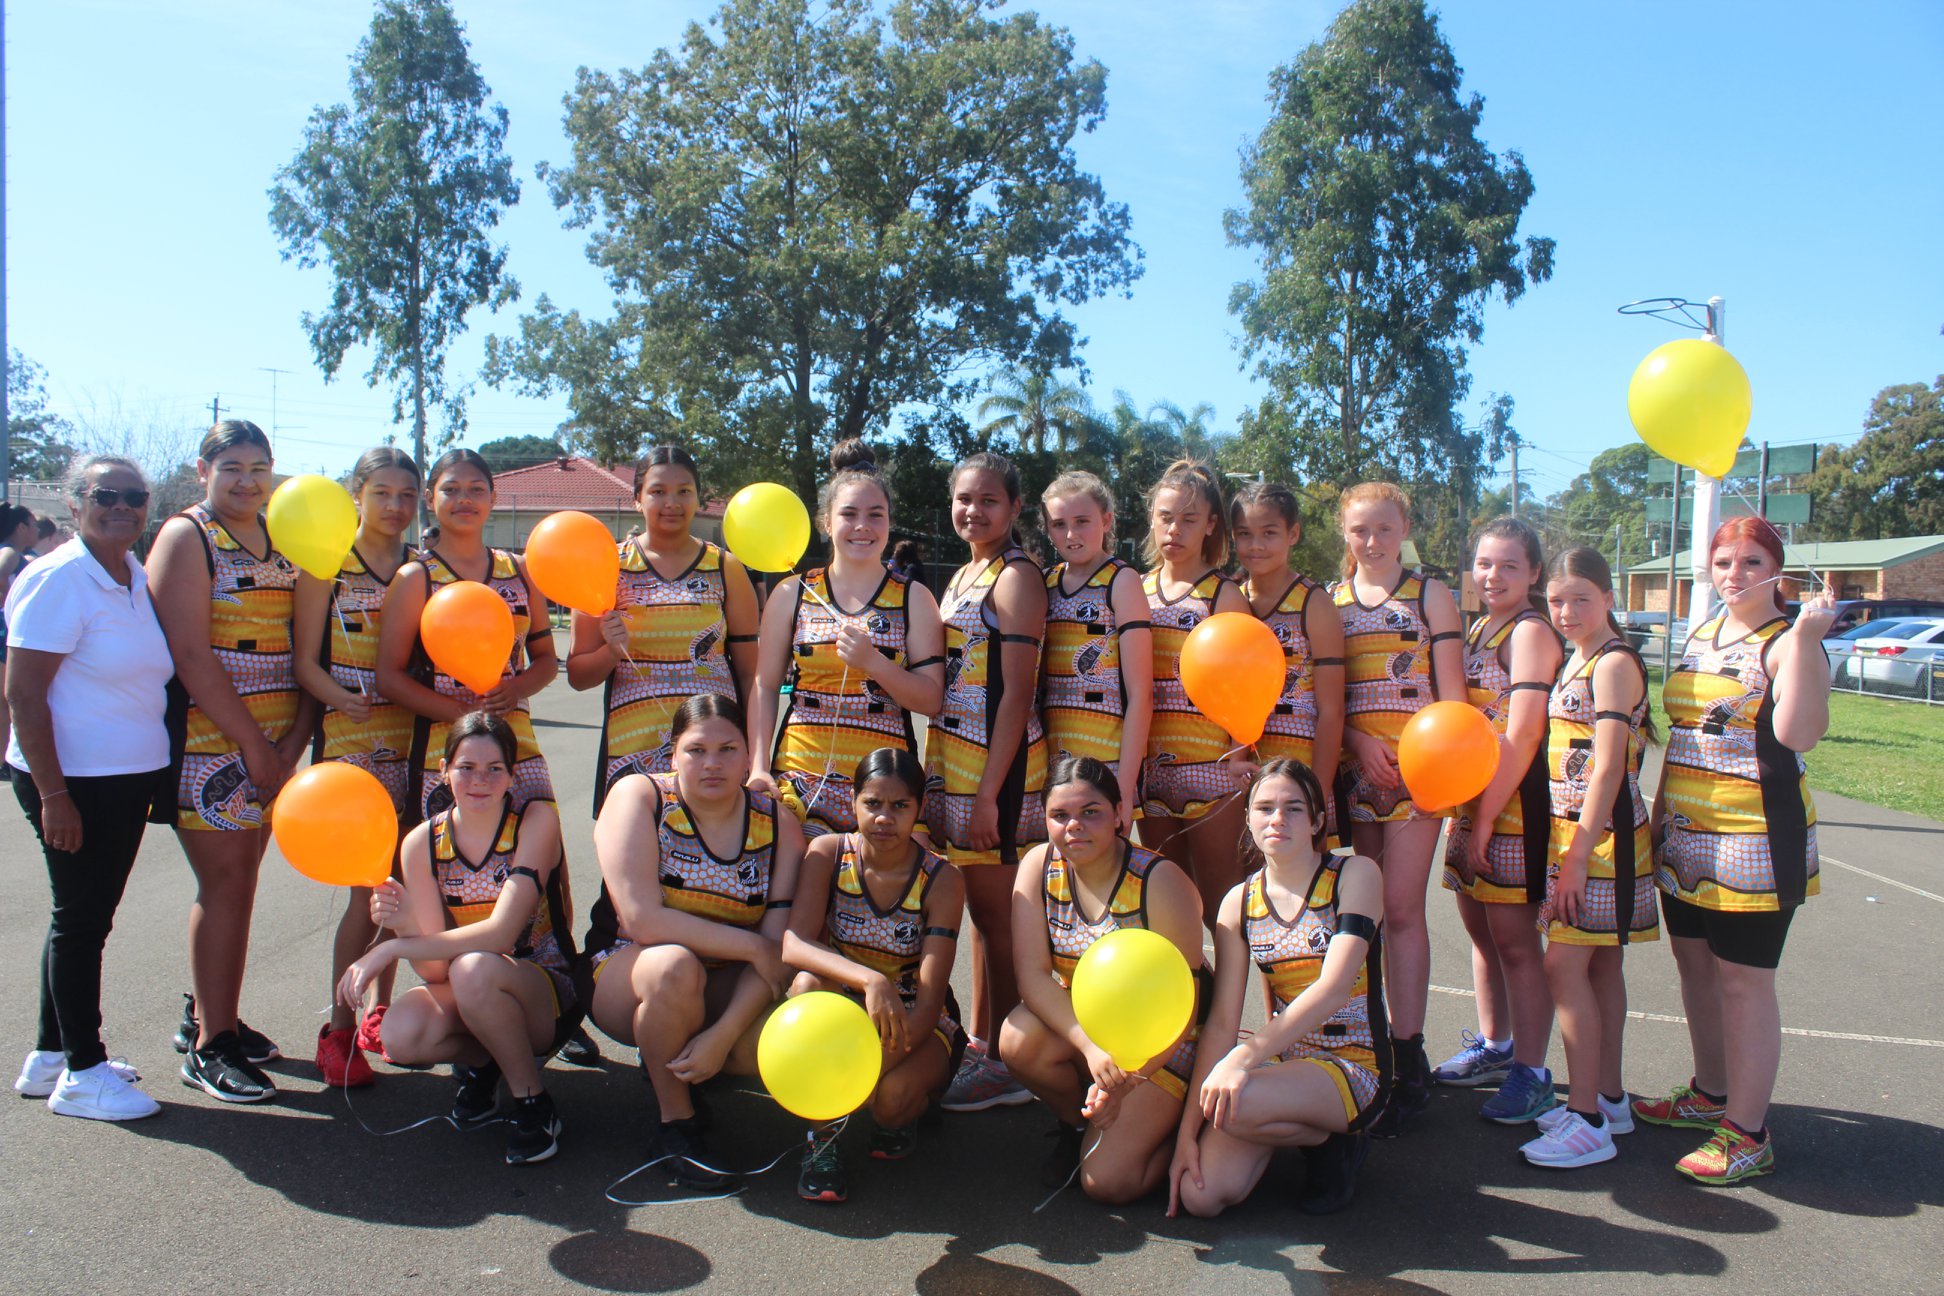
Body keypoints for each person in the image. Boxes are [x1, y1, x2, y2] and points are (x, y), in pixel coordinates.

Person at [1640, 517, 1834, 1184]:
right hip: (1686, 840)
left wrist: (1808, 638)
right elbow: (1684, 739)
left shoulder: (1788, 641)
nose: (1735, 574)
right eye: (1724, 561)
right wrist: (1659, 817)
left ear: (1777, 569)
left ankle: (1749, 1133)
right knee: (1694, 968)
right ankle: (1711, 1094)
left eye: (1752, 561)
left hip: (1753, 843)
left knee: (1744, 985)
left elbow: (1799, 732)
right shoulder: (1703, 631)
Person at [148, 421, 316, 1102]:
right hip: (213, 740)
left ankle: (212, 1016)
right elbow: (189, 655)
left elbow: (306, 649)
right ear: (203, 472)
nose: (247, 481)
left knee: (242, 884)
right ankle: (211, 1047)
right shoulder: (187, 537)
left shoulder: (287, 534)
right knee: (224, 887)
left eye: (259, 467)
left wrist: (291, 740)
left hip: (276, 744)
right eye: (232, 469)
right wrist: (252, 743)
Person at [339, 712, 580, 1166]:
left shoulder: (535, 821)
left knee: (473, 968)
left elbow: (503, 933)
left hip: (545, 989)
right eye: (466, 767)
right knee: (402, 1033)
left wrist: (391, 946)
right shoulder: (421, 842)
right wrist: (407, 923)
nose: (480, 780)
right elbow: (433, 972)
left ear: (512, 776)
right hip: (473, 985)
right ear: (445, 772)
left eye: (494, 769)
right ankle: (491, 1065)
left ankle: (533, 1102)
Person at [585, 694, 803, 1191]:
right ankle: (675, 1126)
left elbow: (772, 955)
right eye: (696, 750)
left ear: (749, 756)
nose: (712, 764)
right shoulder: (639, 797)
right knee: (673, 967)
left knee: (792, 1012)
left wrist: (723, 1034)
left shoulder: (780, 825)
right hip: (630, 971)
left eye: (728, 750)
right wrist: (746, 946)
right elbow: (641, 920)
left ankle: (689, 1058)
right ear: (672, 755)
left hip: (727, 982)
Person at [6, 458, 168, 1120]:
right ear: (74, 505)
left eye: (134, 497)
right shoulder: (59, 579)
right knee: (80, 924)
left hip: (120, 782)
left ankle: (51, 1055)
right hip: (74, 784)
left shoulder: (131, 574)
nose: (121, 507)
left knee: (79, 918)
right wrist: (54, 797)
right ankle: (84, 1071)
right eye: (105, 496)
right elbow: (22, 693)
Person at [1170, 760, 1388, 1219]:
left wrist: (1241, 1060)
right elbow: (1224, 1022)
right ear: (1248, 820)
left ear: (1317, 820)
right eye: (1264, 808)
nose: (1278, 820)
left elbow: (1332, 989)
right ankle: (1303, 1125)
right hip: (1285, 1061)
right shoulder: (1238, 902)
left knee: (1237, 1099)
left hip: (1354, 1062)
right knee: (1199, 1195)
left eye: (1293, 808)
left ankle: (1342, 1139)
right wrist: (1186, 1139)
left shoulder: (1354, 876)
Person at [1001, 756, 1205, 1203]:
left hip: (1165, 1043)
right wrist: (1093, 1050)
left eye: (1090, 812)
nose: (1074, 826)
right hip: (1095, 1034)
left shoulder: (1159, 880)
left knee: (1108, 1185)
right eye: (1060, 816)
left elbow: (1188, 1005)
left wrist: (1129, 1079)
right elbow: (1032, 978)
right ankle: (1077, 1125)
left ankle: (1189, 1131)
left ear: (1119, 815)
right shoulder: (1039, 866)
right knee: (1018, 1039)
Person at [1330, 481, 1464, 1134]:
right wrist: (1357, 745)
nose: (1373, 542)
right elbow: (1332, 695)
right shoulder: (1331, 601)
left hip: (1419, 777)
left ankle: (1408, 1053)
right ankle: (1371, 1045)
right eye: (1360, 531)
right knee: (1366, 914)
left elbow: (1453, 694)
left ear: (1404, 527)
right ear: (1344, 534)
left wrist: (1422, 761)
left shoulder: (1429, 593)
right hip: (1359, 776)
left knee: (1405, 910)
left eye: (1385, 529)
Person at [1518, 547, 1657, 1169]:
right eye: (1556, 600)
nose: (1567, 611)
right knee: (1599, 972)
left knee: (1563, 971)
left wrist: (1574, 859)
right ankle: (1608, 1098)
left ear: (1607, 597)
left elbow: (1607, 769)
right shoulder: (1580, 659)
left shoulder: (1614, 663)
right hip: (1575, 838)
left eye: (1581, 598)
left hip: (1601, 845)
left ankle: (1586, 1120)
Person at [782, 747, 966, 1203]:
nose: (885, 818)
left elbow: (928, 1004)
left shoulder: (942, 878)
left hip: (913, 1019)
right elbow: (794, 945)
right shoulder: (827, 852)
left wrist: (851, 1077)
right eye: (873, 804)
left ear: (918, 809)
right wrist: (870, 981)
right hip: (850, 1001)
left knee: (891, 1102)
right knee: (806, 986)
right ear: (852, 802)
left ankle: (912, 1102)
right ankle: (821, 1143)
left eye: (900, 806)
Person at [293, 447, 421, 1086]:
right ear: (357, 494)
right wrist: (340, 696)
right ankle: (337, 1033)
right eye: (382, 494)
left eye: (406, 495)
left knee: (397, 889)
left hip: (416, 740)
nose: (395, 508)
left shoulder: (421, 567)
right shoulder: (329, 565)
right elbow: (303, 661)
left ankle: (379, 1014)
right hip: (351, 739)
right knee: (364, 892)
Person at [928, 451, 1048, 1114]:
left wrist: (986, 793)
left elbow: (1016, 694)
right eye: (964, 499)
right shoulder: (968, 571)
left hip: (997, 773)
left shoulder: (1017, 576)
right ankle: (983, 1038)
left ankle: (1005, 1062)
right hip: (957, 760)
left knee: (1001, 918)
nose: (974, 511)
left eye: (988, 501)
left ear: (1014, 508)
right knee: (978, 912)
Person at [1434, 518, 1564, 1124]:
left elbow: (1526, 732)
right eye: (1485, 563)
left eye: (1509, 565)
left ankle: (1533, 1073)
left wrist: (1484, 820)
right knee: (1483, 938)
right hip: (1473, 804)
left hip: (1515, 808)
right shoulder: (1483, 627)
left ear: (1534, 573)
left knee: (1516, 947)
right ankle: (1496, 1045)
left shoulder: (1532, 632)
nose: (1493, 575)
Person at [747, 440, 943, 837]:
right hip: (800, 776)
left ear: (889, 521)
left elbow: (931, 700)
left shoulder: (914, 598)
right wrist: (757, 767)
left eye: (876, 515)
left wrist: (875, 663)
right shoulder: (792, 593)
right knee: (798, 889)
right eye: (848, 514)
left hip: (885, 786)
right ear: (825, 522)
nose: (862, 526)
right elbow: (765, 685)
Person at [566, 445, 759, 813]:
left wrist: (755, 750)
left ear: (698, 497)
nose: (672, 502)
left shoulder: (725, 567)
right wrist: (610, 650)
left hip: (715, 753)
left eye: (684, 491)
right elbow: (577, 675)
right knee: (632, 857)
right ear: (637, 498)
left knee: (715, 860)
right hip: (632, 751)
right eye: (657, 491)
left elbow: (753, 676)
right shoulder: (607, 566)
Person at [375, 449, 559, 827]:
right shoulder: (415, 577)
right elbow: (388, 677)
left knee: (537, 855)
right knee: (446, 870)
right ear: (431, 499)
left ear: (493, 498)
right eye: (451, 489)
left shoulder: (523, 570)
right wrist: (462, 717)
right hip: (442, 750)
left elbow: (546, 660)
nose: (464, 499)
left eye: (476, 489)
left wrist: (517, 688)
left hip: (516, 743)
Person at [1138, 461, 1254, 927]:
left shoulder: (1222, 594)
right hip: (1151, 770)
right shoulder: (1136, 589)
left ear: (1210, 525)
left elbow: (1248, 683)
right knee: (1166, 908)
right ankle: (1186, 1001)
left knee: (1222, 909)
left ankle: (1228, 1002)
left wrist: (1237, 752)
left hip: (1213, 771)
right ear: (1152, 519)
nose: (1175, 529)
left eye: (1189, 519)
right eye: (1166, 517)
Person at [1038, 470, 1151, 831]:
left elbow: (1141, 695)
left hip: (1106, 764)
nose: (1071, 534)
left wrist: (1125, 784)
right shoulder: (1046, 581)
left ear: (1106, 520)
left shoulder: (1122, 580)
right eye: (1059, 524)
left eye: (1082, 521)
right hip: (1052, 764)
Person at [1228, 480, 1345, 831]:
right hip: (1242, 773)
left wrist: (1317, 794)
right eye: (1244, 534)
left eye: (1269, 533)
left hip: (1300, 768)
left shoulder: (1313, 603)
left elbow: (1331, 711)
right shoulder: (1229, 598)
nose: (1256, 545)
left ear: (1293, 534)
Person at [0, 504, 41, 776]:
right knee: (6, 701)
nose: (37, 530)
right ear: (21, 527)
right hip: (5, 632)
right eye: (33, 524)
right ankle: (4, 761)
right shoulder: (9, 552)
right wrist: (9, 602)